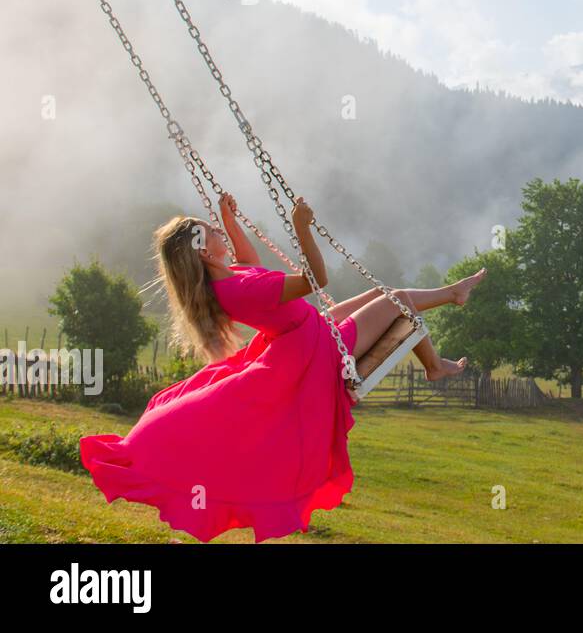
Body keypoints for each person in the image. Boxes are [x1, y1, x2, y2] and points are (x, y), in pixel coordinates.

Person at [79, 192, 484, 542]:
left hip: (306, 332)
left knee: (386, 296)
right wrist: (301, 227)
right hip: (320, 348)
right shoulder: (239, 289)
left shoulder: (231, 278)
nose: (220, 235)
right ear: (204, 250)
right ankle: (453, 298)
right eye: (214, 232)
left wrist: (229, 221)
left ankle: (434, 363)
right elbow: (316, 279)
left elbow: (249, 260)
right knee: (397, 299)